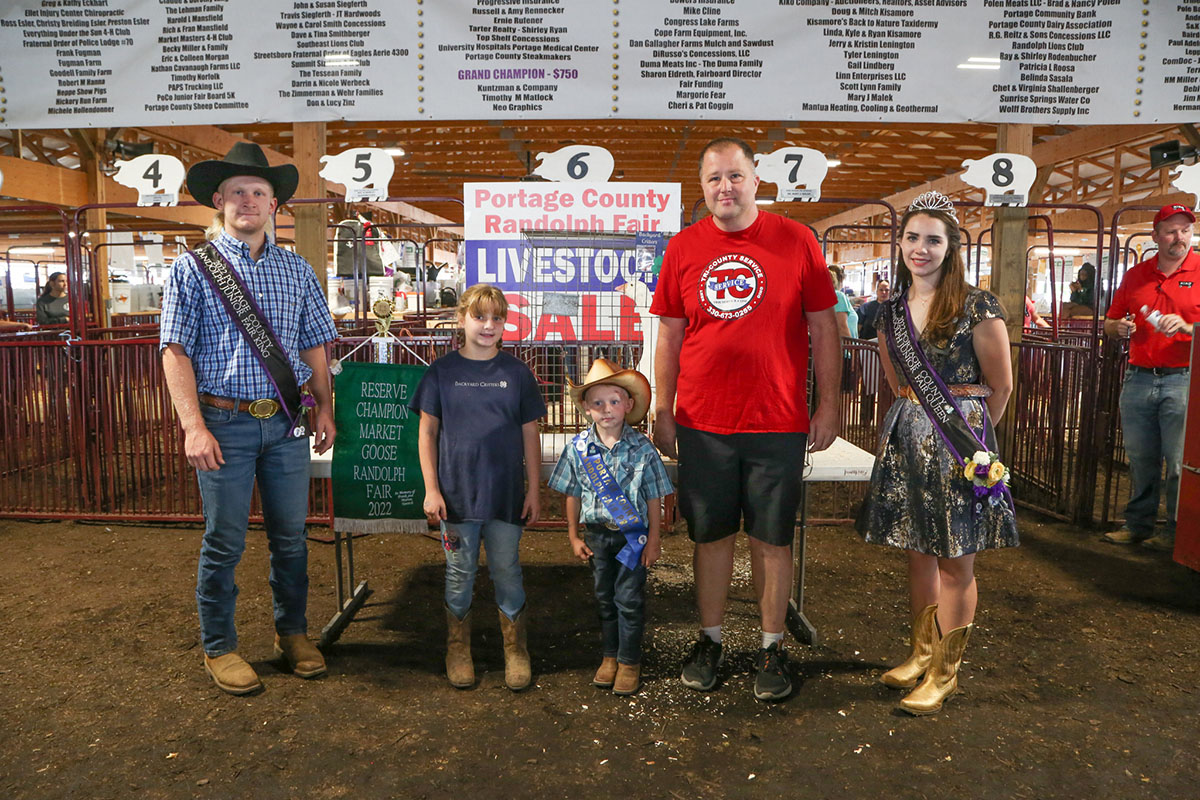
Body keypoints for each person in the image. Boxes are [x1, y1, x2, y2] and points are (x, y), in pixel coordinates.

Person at [650, 137, 840, 702]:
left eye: (735, 176)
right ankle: (710, 640)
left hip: (777, 421)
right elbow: (669, 332)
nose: (724, 188)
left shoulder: (796, 240)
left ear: (757, 180)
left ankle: (771, 645)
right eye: (713, 179)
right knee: (710, 538)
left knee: (771, 540)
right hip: (704, 422)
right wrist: (664, 405)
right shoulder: (683, 247)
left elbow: (825, 327)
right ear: (703, 188)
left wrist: (826, 404)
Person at [160, 142, 338, 696]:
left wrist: (325, 405)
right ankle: (220, 647)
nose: (249, 200)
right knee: (225, 541)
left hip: (285, 425)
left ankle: (293, 634)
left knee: (292, 538)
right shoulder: (192, 269)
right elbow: (174, 352)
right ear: (218, 200)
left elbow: (314, 347)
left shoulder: (296, 268)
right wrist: (193, 426)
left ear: (274, 204)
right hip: (224, 423)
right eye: (238, 191)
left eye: (259, 192)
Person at [856, 190, 1018, 716]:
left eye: (933, 239)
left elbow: (1002, 385)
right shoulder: (890, 311)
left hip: (958, 441)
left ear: (951, 248)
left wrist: (969, 445)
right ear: (899, 242)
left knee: (956, 559)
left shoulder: (978, 305)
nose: (920, 249)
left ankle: (945, 673)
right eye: (912, 238)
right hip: (906, 434)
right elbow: (895, 379)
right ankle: (921, 652)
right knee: (916, 549)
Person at [411, 284, 546, 691]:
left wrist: (535, 490)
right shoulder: (441, 372)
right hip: (455, 498)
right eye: (480, 317)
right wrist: (431, 490)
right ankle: (458, 648)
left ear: (505, 323)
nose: (489, 326)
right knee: (459, 573)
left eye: (497, 318)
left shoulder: (517, 373)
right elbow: (427, 434)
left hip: (505, 496)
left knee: (507, 570)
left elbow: (530, 435)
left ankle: (515, 649)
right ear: (461, 320)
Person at [549, 358, 673, 696]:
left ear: (629, 405)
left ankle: (629, 661)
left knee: (629, 600)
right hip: (597, 537)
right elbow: (572, 495)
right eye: (598, 403)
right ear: (586, 408)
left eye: (614, 401)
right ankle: (609, 657)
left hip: (634, 539)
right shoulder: (578, 449)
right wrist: (573, 535)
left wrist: (654, 540)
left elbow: (653, 497)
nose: (607, 409)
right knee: (605, 598)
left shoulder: (643, 449)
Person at [1101, 204, 1199, 552]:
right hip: (1139, 377)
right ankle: (1138, 524)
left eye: (1185, 230)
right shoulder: (1136, 275)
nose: (1179, 238)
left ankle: (1177, 531)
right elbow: (1110, 322)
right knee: (1140, 457)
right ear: (1155, 235)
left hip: (1184, 379)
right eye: (1171, 230)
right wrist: (1119, 327)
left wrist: (1190, 327)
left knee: (1177, 462)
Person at [829, 265, 859, 339]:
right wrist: (853, 349)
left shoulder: (828, 296)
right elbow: (842, 327)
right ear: (841, 280)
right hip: (845, 348)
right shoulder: (838, 296)